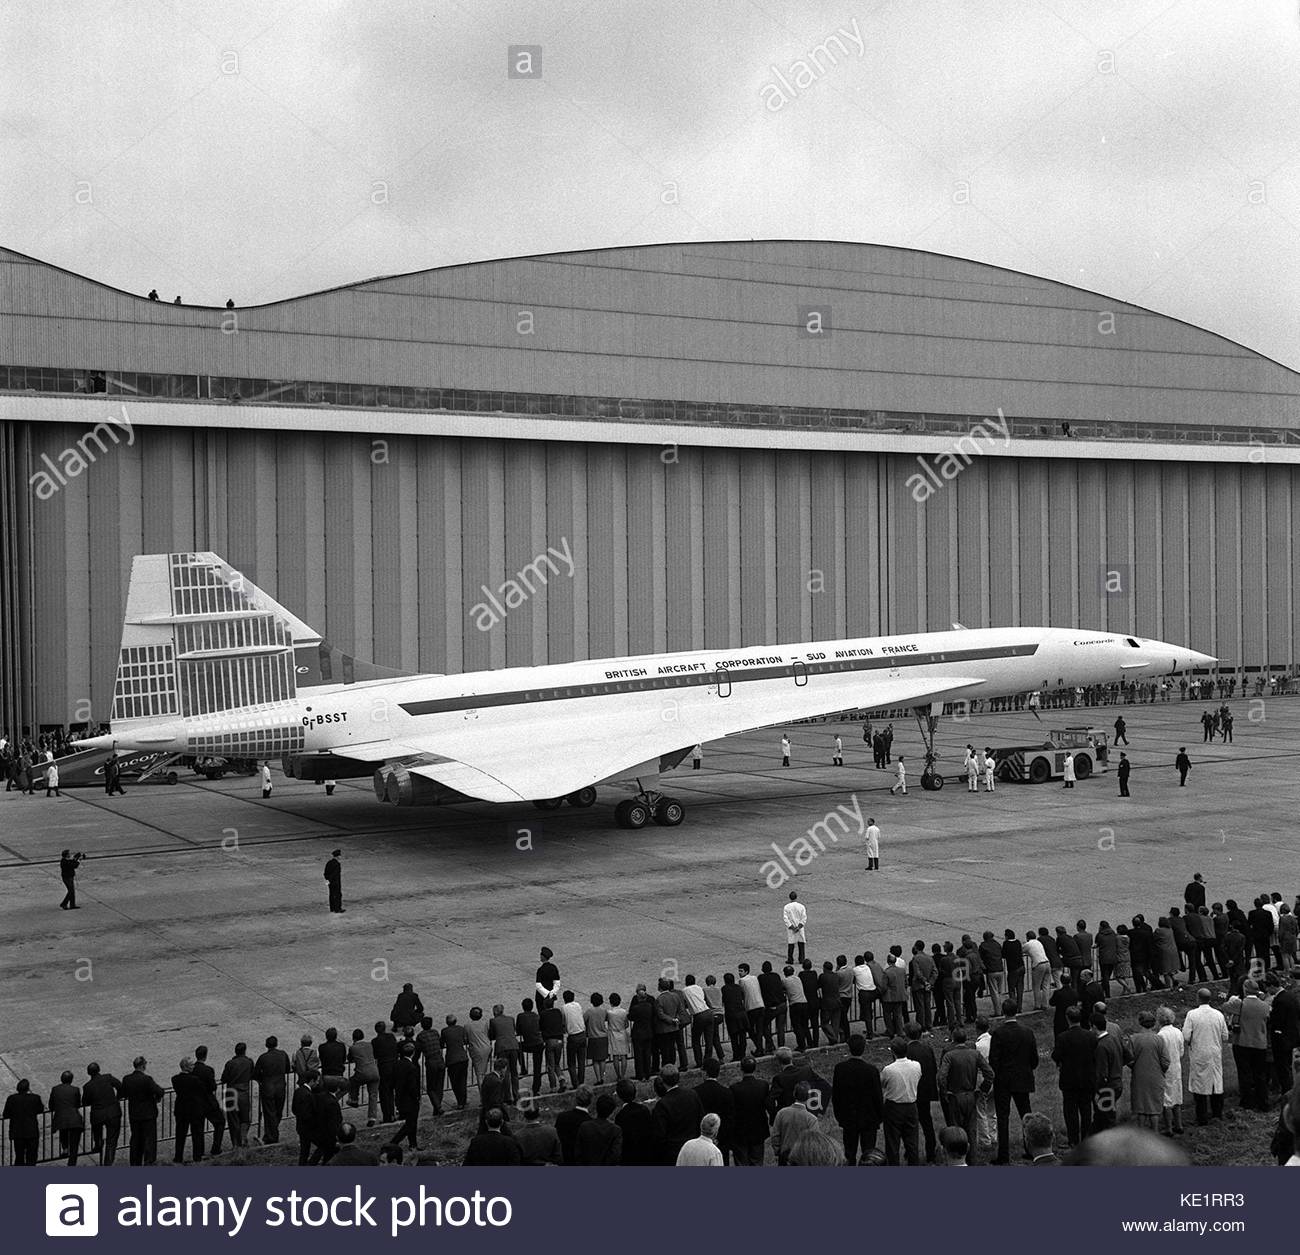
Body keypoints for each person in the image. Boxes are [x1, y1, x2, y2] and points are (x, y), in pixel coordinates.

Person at [989, 998, 1037, 1164]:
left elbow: (993, 1060)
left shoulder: (999, 1033)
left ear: (1003, 1012)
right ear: (1016, 1011)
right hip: (1023, 1078)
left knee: (1003, 1117)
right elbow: (1034, 1058)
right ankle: (1032, 1149)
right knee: (1026, 1115)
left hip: (1003, 1080)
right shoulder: (1027, 1032)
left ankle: (1003, 1155)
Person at [938, 1027, 993, 1165]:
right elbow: (989, 1073)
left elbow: (941, 1077)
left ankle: (956, 1162)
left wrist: (945, 1092)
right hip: (971, 1095)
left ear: (953, 1039)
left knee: (956, 1133)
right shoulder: (974, 1054)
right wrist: (983, 1089)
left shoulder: (949, 1056)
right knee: (971, 1132)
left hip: (955, 1096)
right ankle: (972, 1161)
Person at [831, 1033, 883, 1164]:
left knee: (849, 1153)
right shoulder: (871, 1070)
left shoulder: (840, 1069)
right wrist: (879, 1117)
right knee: (869, 1154)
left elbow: (836, 1096)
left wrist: (839, 1116)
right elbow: (878, 1097)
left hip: (849, 1117)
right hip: (869, 1118)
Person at [1182, 988, 1228, 1124]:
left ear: (1198, 998)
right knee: (1216, 1081)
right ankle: (1217, 1113)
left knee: (1199, 1083)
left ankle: (1201, 1117)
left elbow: (1185, 1035)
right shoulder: (1218, 1014)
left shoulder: (1192, 1015)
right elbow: (1225, 1035)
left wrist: (1192, 1040)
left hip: (1199, 1052)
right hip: (1214, 1052)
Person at [880, 1037, 922, 1165]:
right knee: (912, 1141)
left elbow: (882, 1084)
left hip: (894, 1107)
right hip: (911, 1105)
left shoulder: (889, 1069)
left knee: (892, 1142)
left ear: (893, 1052)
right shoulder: (916, 1065)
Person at [653, 1064, 704, 1165]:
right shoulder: (692, 1094)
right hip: (694, 1147)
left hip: (674, 1153)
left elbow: (659, 1135)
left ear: (662, 1081)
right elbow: (701, 1118)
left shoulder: (662, 1104)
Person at [1128, 1011, 1170, 1129]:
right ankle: (1155, 1134)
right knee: (1154, 1107)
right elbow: (1166, 1061)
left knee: (1140, 1107)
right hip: (1156, 1077)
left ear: (1140, 1023)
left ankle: (1141, 1136)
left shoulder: (1133, 1039)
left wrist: (1136, 1067)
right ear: (1153, 1024)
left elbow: (1129, 1060)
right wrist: (1160, 1071)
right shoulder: (1159, 1039)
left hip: (1139, 1077)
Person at [121, 1055, 164, 1165]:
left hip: (134, 1114)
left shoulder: (127, 1079)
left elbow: (123, 1094)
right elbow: (159, 1091)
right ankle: (148, 1161)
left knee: (135, 1139)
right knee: (149, 1140)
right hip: (148, 1114)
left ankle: (135, 1162)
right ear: (143, 1066)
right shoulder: (147, 1079)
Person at [82, 1062, 122, 1165]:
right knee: (111, 1141)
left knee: (97, 1131)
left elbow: (85, 1102)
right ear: (99, 1069)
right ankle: (108, 1163)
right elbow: (120, 1086)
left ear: (88, 1073)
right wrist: (117, 1098)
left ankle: (98, 1143)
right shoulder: (107, 1078)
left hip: (98, 1114)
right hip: (113, 1112)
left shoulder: (87, 1086)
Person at [614, 1078, 659, 1165]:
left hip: (630, 1157)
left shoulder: (621, 1116)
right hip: (647, 1154)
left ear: (620, 1096)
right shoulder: (644, 1110)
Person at [770, 1081, 817, 1165]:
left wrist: (778, 1151)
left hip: (784, 1156)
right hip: (803, 1158)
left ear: (794, 1094)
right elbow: (814, 1143)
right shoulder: (811, 1119)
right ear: (809, 1097)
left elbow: (775, 1135)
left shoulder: (781, 1113)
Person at [254, 1035, 290, 1142]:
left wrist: (262, 1079)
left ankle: (272, 1135)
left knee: (269, 1113)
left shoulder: (263, 1057)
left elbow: (255, 1074)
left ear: (266, 1045)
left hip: (268, 1087)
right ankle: (272, 1134)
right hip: (280, 1087)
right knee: (278, 1112)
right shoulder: (283, 1054)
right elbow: (287, 1069)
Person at [171, 1058, 208, 1163]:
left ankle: (178, 1157)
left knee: (180, 1135)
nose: (194, 1066)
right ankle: (197, 1157)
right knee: (196, 1134)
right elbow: (203, 1091)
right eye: (191, 1065)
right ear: (187, 1067)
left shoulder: (174, 1079)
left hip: (181, 1109)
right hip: (194, 1110)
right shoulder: (195, 1080)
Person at [2, 1079, 44, 1165]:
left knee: (19, 1157)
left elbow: (6, 1114)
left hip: (18, 1132)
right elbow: (40, 1109)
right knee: (32, 1157)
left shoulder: (11, 1099)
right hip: (32, 1131)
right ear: (28, 1088)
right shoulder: (35, 1098)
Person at [47, 1070, 84, 1166]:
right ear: (71, 1080)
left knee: (63, 1131)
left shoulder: (55, 1089)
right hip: (74, 1119)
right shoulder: (75, 1089)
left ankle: (65, 1148)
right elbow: (78, 1104)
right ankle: (71, 1163)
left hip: (61, 1119)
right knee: (74, 1145)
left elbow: (51, 1105)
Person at [575, 1092, 622, 1164]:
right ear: (611, 1112)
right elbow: (615, 1155)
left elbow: (578, 1153)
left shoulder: (584, 1126)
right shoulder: (616, 1130)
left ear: (596, 1108)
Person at [394, 1043, 422, 1150]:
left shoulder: (398, 1064)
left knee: (411, 1123)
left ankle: (413, 1144)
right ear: (413, 1053)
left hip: (400, 1097)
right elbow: (412, 1087)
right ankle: (394, 1142)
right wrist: (416, 1097)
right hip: (410, 1100)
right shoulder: (412, 1068)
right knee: (410, 1124)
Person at [555, 1087, 593, 1165]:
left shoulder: (562, 1117)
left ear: (575, 1099)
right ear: (591, 1101)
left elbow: (556, 1141)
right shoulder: (591, 1123)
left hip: (565, 1161)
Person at [440, 1014, 470, 1108]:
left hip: (452, 1059)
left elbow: (442, 1043)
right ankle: (463, 1100)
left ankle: (460, 1102)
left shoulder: (444, 1031)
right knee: (463, 1081)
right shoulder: (461, 1029)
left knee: (454, 1082)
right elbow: (465, 1040)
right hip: (462, 1057)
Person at [783, 890, 807, 964]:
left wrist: (792, 927)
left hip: (791, 929)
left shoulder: (787, 907)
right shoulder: (801, 906)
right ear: (796, 897)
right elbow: (804, 918)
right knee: (801, 943)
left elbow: (785, 918)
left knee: (791, 943)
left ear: (790, 898)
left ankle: (790, 959)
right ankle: (801, 959)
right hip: (800, 928)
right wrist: (799, 927)